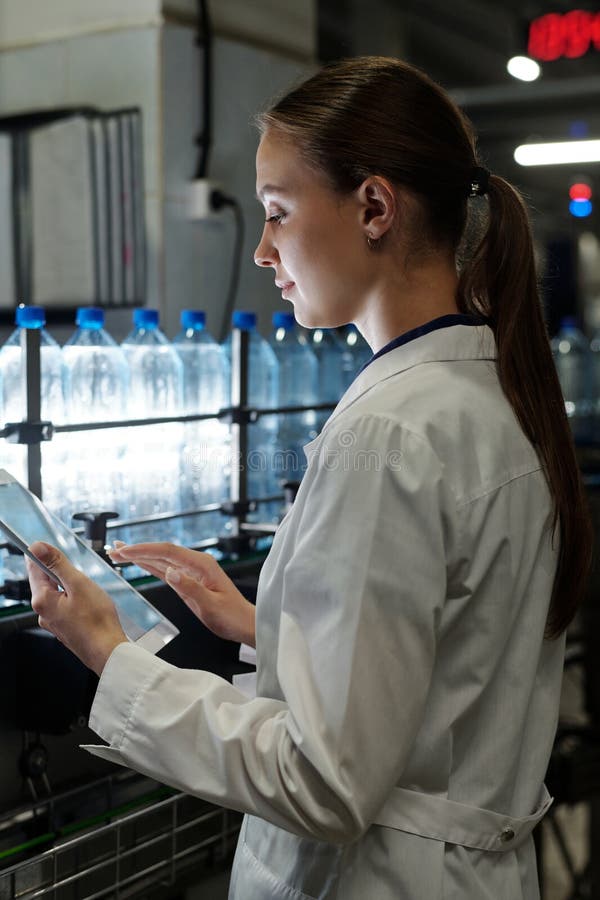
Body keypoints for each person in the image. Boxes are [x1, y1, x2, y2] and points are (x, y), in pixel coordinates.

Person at [27, 56, 592, 899]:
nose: (261, 251)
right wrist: (266, 624)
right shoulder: (487, 390)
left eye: (278, 214)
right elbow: (446, 668)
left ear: (373, 206)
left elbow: (324, 783)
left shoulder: (391, 434)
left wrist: (110, 656)